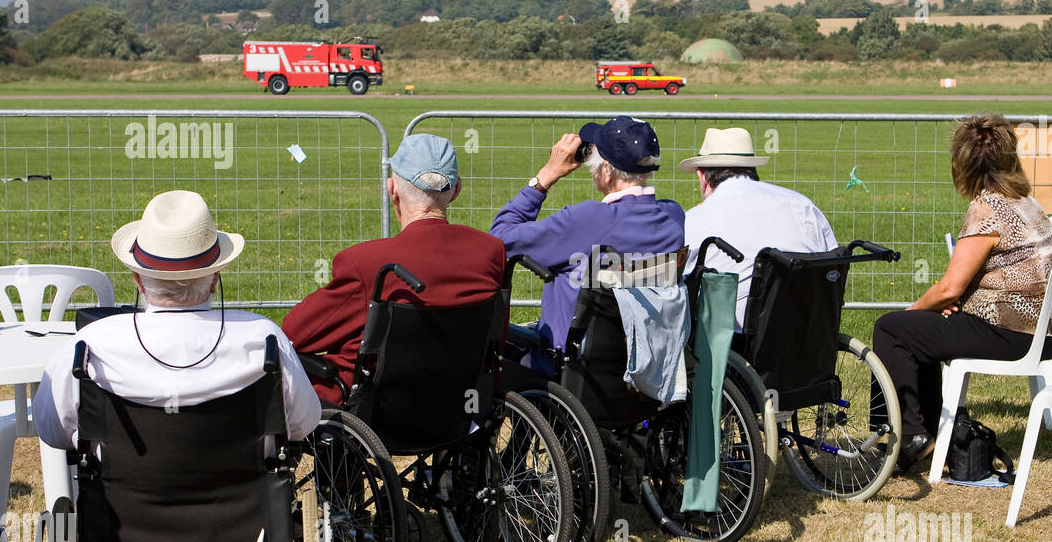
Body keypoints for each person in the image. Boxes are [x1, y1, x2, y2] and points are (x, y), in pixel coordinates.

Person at [33, 189, 322, 542]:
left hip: (128, 521)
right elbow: (304, 424)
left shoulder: (92, 348)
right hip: (240, 520)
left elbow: (50, 429)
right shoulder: (262, 339)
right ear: (215, 275)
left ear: (137, 277)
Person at [873, 114, 1052, 472]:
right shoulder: (1025, 201)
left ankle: (910, 435)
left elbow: (950, 287)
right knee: (919, 329)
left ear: (963, 163)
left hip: (1011, 334)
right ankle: (923, 434)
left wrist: (916, 310)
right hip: (1041, 333)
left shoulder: (987, 208)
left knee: (892, 329)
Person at [284, 132, 506, 405]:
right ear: (456, 190)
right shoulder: (490, 252)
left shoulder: (365, 263)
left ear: (392, 190)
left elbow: (295, 333)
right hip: (460, 406)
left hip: (380, 414)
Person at [491, 116, 685, 355]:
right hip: (643, 360)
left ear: (606, 172)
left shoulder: (588, 220)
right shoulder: (674, 216)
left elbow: (500, 240)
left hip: (567, 365)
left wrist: (546, 176)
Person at [679, 126, 838, 330]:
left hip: (736, 337)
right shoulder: (803, 205)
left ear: (702, 177)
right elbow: (832, 265)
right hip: (809, 332)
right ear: (751, 169)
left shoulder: (695, 218)